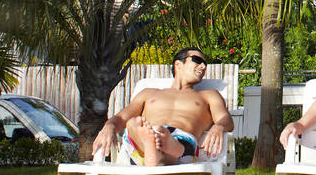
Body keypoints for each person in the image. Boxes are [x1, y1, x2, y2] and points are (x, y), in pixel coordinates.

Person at [91, 47, 234, 167]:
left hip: (181, 143)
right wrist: (109, 126)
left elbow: (225, 118)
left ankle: (155, 148)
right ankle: (153, 145)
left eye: (205, 64)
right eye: (197, 60)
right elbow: (122, 117)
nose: (203, 67)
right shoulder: (148, 93)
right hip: (143, 140)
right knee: (133, 123)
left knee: (161, 136)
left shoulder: (208, 96)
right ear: (178, 64)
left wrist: (219, 126)